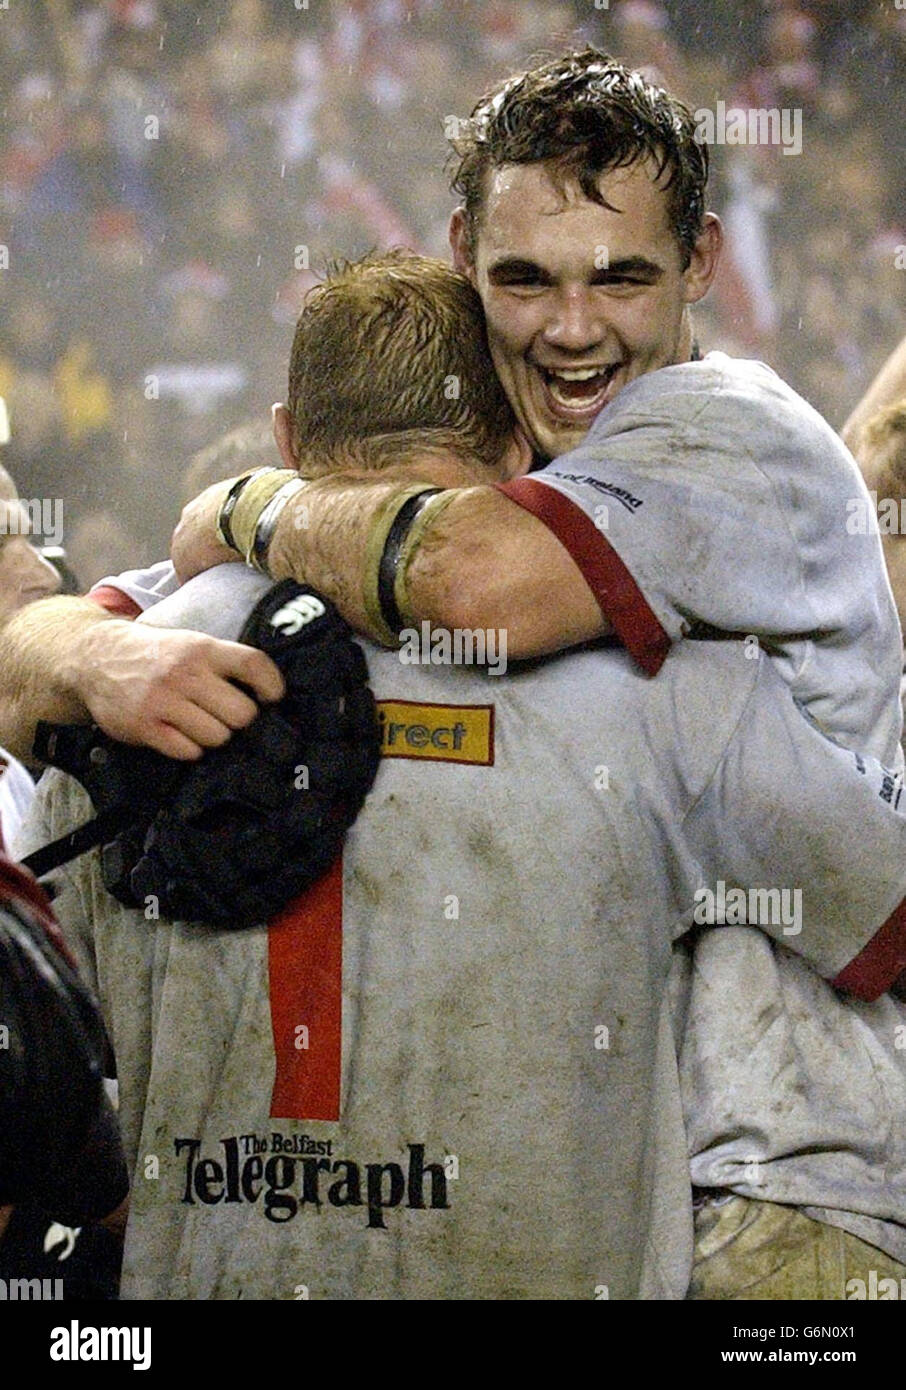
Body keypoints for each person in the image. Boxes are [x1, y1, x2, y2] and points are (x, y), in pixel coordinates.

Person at [20, 253, 906, 1300]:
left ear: (288, 439)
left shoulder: (114, 695)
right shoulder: (670, 688)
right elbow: (880, 917)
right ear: (516, 445)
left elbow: (48, 1094)